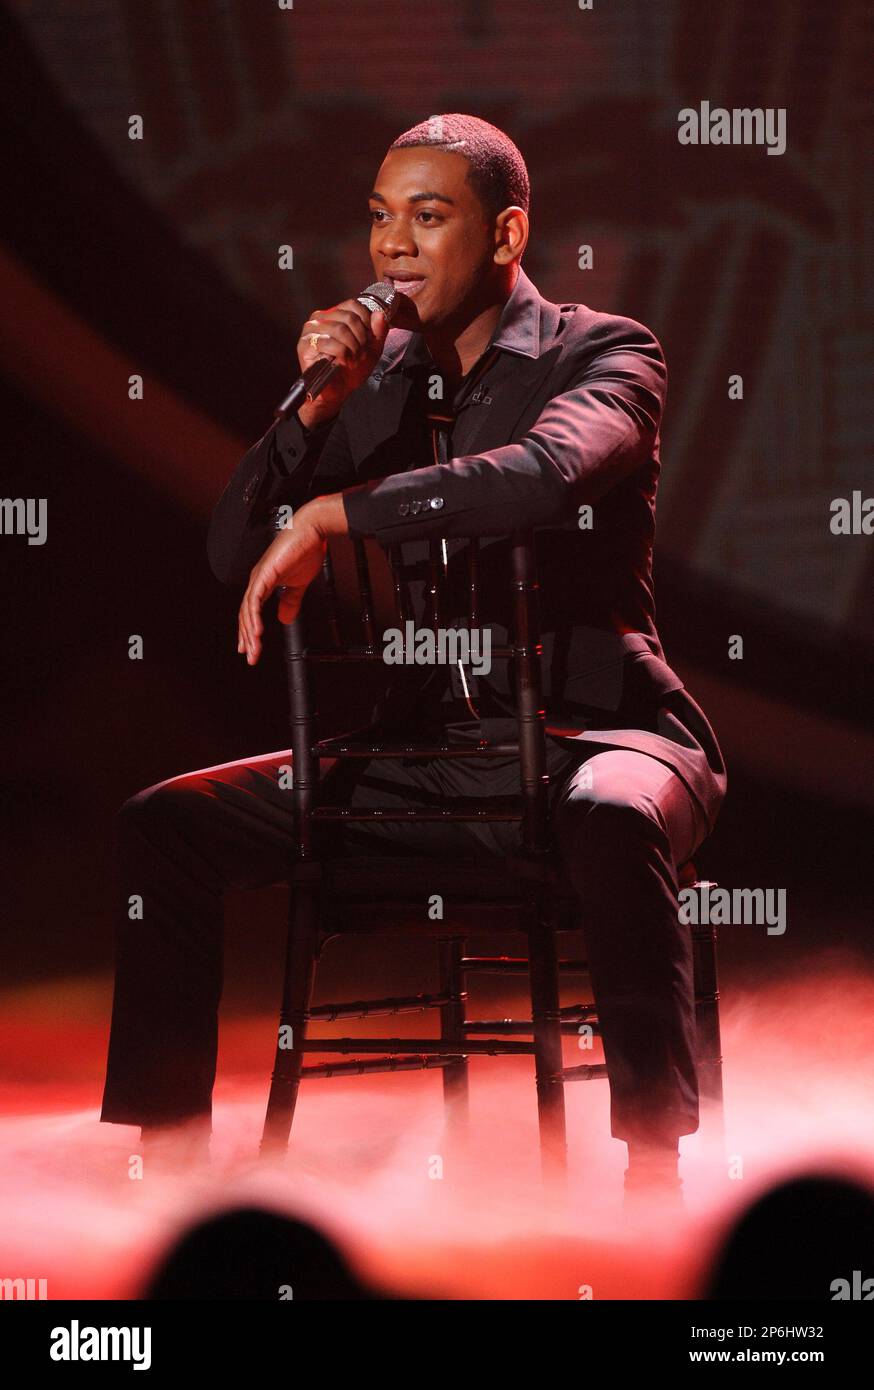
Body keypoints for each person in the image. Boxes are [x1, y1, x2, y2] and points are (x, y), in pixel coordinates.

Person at [100, 114, 726, 1195]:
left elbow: (543, 476)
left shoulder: (607, 353)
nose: (392, 246)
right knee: (166, 825)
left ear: (504, 232)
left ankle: (652, 1170)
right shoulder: (375, 386)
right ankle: (171, 1170)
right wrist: (307, 422)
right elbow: (228, 551)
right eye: (380, 218)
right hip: (422, 760)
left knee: (615, 815)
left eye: (427, 218)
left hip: (599, 738)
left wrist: (341, 510)